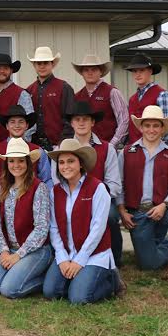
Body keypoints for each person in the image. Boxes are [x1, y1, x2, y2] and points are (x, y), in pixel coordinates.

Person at [116, 106, 168, 289]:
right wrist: (122, 211)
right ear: (141, 128)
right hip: (138, 212)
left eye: (156, 125)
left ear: (162, 128)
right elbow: (119, 184)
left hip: (164, 208)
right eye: (147, 125)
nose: (151, 129)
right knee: (148, 265)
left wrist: (164, 205)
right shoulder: (127, 153)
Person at [43, 139, 118, 304]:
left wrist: (80, 260)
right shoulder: (55, 192)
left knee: (78, 298)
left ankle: (112, 282)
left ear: (81, 164)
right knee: (51, 292)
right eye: (61, 162)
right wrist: (62, 258)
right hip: (68, 253)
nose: (65, 166)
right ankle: (78, 280)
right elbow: (53, 227)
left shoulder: (98, 188)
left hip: (93, 254)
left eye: (71, 161)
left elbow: (98, 228)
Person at [0, 105, 53, 263]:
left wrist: (45, 199)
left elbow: (47, 179)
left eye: (21, 122)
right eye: (12, 122)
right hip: (4, 199)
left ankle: (35, 254)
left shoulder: (38, 151)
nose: (17, 125)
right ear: (7, 126)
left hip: (33, 200)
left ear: (26, 125)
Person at [0, 138, 52, 298]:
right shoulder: (4, 188)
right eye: (11, 161)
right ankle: (19, 273)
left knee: (8, 289)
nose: (16, 165)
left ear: (28, 163)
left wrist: (18, 255)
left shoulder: (38, 188)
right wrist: (4, 251)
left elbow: (41, 229)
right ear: (6, 164)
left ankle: (44, 279)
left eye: (21, 160)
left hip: (35, 250)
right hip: (11, 248)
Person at [60, 101, 122, 265]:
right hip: (71, 199)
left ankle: (112, 259)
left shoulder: (107, 148)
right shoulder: (62, 148)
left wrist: (96, 198)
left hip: (99, 200)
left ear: (93, 122)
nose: (81, 123)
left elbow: (114, 185)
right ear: (72, 123)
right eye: (77, 119)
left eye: (85, 119)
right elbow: (57, 181)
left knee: (110, 215)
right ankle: (67, 254)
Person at [72, 54, 129, 149]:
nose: (90, 73)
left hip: (108, 147)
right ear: (82, 73)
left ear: (101, 72)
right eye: (86, 70)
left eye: (94, 69)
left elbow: (124, 120)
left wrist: (111, 145)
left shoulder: (112, 92)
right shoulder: (77, 96)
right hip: (83, 149)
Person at [24, 46, 75, 151]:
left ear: (52, 64)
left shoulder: (64, 87)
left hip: (58, 146)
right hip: (34, 147)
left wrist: (62, 144)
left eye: (46, 63)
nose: (42, 66)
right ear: (34, 65)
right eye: (39, 63)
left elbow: (70, 119)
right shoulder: (29, 91)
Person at [124, 53, 168, 144]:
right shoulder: (132, 99)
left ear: (150, 71)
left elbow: (167, 128)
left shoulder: (163, 95)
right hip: (134, 149)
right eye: (135, 71)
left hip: (156, 149)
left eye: (142, 70)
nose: (138, 74)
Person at [0, 52, 34, 144]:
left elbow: (30, 127)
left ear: (11, 70)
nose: (1, 71)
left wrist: (20, 145)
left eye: (5, 68)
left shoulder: (22, 94)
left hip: (14, 149)